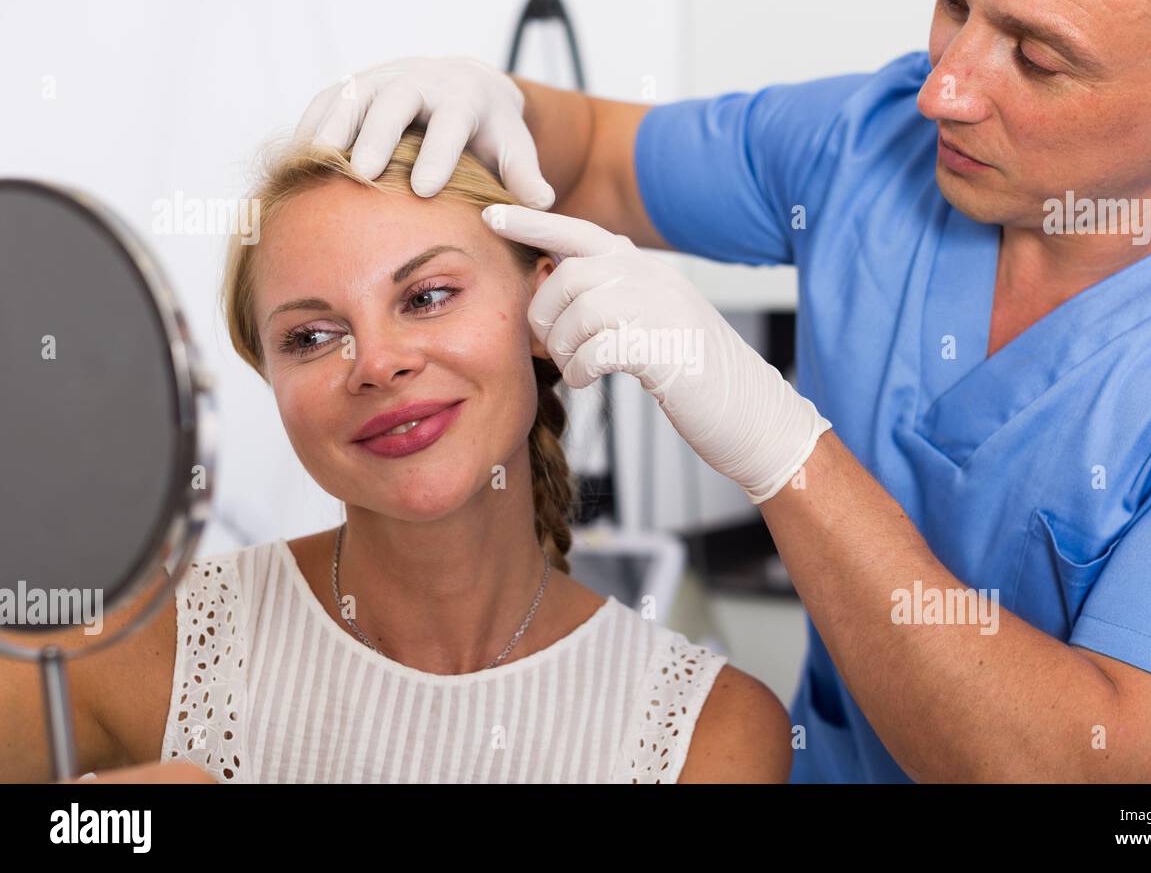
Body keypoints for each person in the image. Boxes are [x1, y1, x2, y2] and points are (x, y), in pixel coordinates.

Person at [298, 0, 1151, 782]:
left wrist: (782, 447)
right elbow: (596, 157)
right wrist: (488, 98)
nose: (940, 91)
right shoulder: (865, 142)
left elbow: (1082, 763)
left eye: (1036, 59)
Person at [0, 131, 792, 785]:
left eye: (428, 296)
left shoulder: (705, 735)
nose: (375, 362)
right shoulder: (151, 646)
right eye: (311, 337)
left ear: (545, 310)